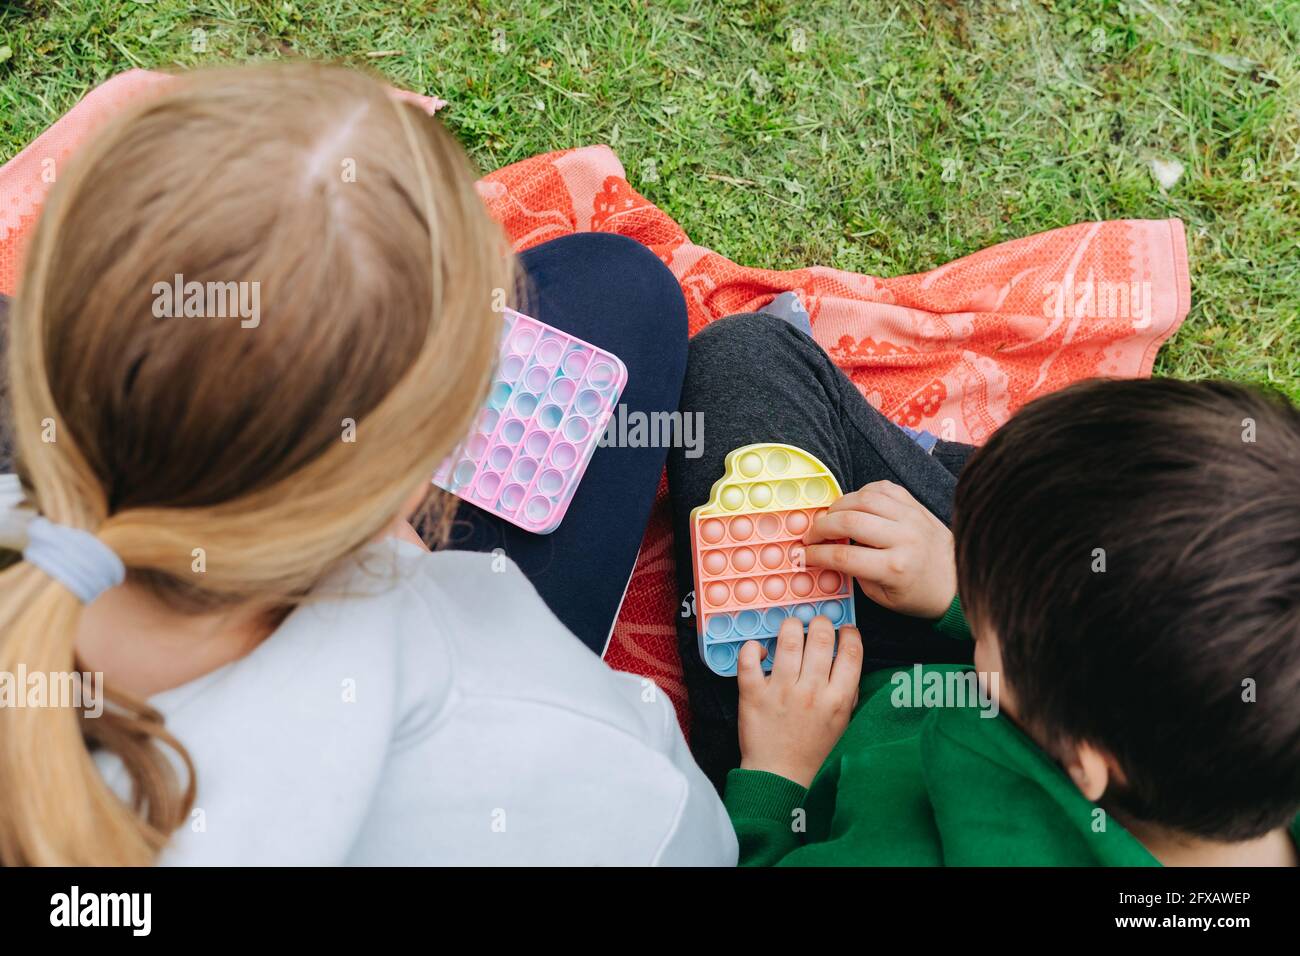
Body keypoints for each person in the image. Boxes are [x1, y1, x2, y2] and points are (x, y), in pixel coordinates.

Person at [0, 62, 736, 866]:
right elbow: (694, 841)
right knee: (621, 288)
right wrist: (774, 777)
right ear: (424, 469)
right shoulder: (596, 765)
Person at [669, 313, 1300, 865]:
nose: (968, 569)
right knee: (755, 357)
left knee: (744, 362)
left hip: (812, 731)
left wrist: (780, 782)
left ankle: (938, 474)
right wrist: (957, 599)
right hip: (1023, 673)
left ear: (1082, 758)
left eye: (984, 586)